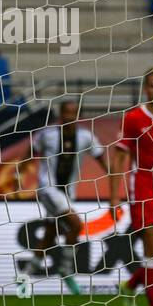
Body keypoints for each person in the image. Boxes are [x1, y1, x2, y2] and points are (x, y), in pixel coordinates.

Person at [21, 98, 110, 295]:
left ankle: (24, 276)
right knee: (77, 225)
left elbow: (100, 156)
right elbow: (31, 151)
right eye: (66, 113)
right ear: (61, 114)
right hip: (48, 189)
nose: (70, 117)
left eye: (73, 113)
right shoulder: (47, 134)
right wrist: (19, 172)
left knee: (49, 236)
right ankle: (66, 269)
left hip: (68, 192)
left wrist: (113, 175)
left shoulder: (86, 137)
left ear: (78, 115)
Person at [109, 70, 153, 306]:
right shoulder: (133, 118)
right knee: (151, 243)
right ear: (145, 89)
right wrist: (114, 197)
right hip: (142, 184)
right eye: (152, 86)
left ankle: (130, 286)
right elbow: (119, 158)